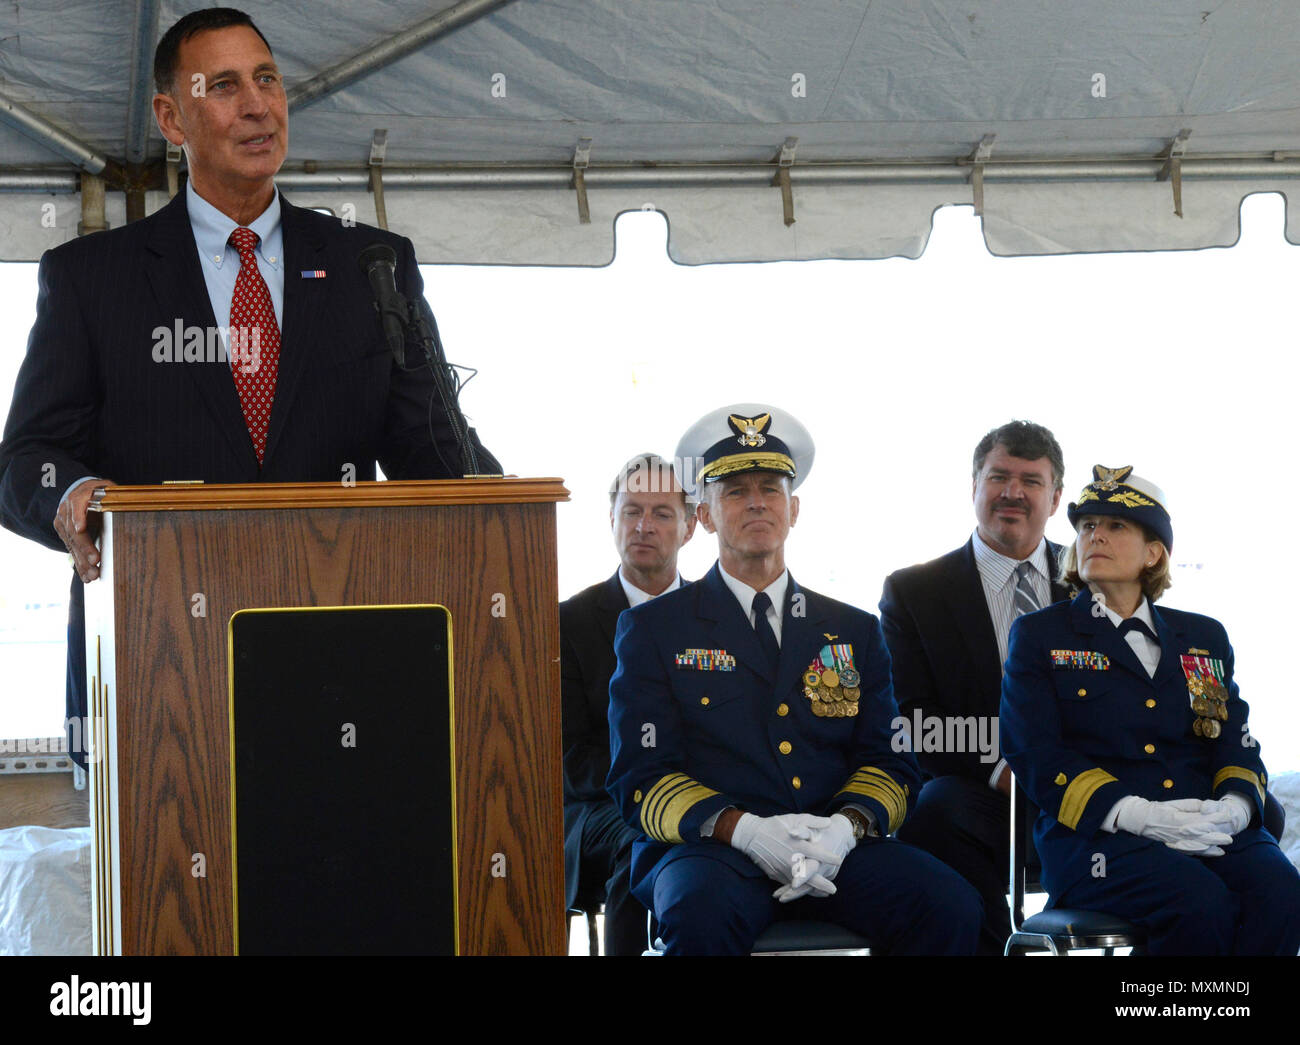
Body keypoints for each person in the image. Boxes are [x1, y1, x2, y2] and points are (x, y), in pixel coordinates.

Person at [0, 8, 498, 763]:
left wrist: (497, 509)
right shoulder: (91, 279)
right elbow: (25, 460)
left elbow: (435, 454)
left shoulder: (370, 267)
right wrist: (79, 500)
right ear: (172, 117)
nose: (258, 104)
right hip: (157, 674)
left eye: (268, 80)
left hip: (341, 683)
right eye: (225, 86)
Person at [606, 404, 982, 955]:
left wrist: (845, 828)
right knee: (697, 913)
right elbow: (640, 777)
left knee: (949, 903)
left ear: (794, 509)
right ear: (705, 516)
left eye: (770, 487)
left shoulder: (852, 629)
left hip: (834, 847)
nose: (756, 501)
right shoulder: (653, 628)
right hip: (714, 849)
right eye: (734, 490)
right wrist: (746, 830)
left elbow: (891, 758)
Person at [1000, 464, 1300, 954]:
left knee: (1280, 890)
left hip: (1203, 824)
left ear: (1155, 552)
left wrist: (1235, 808)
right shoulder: (1041, 636)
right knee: (1198, 903)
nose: (1095, 535)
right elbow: (1033, 752)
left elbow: (1232, 739)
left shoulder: (1202, 639)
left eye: (1116, 526)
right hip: (1097, 840)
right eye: (1088, 526)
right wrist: (1136, 814)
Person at [878, 420, 1068, 954]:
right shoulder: (915, 591)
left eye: (1031, 481)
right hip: (984, 797)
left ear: (1054, 498)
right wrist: (1005, 766)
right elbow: (913, 717)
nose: (1012, 492)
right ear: (974, 487)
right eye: (998, 477)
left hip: (1091, 788)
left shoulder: (1091, 580)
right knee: (932, 812)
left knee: (1253, 816)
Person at [561, 453, 696, 955]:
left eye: (663, 513)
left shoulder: (719, 616)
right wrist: (654, 789)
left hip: (704, 795)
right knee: (642, 835)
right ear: (611, 520)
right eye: (631, 510)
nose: (644, 525)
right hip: (602, 808)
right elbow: (571, 759)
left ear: (690, 527)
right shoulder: (568, 622)